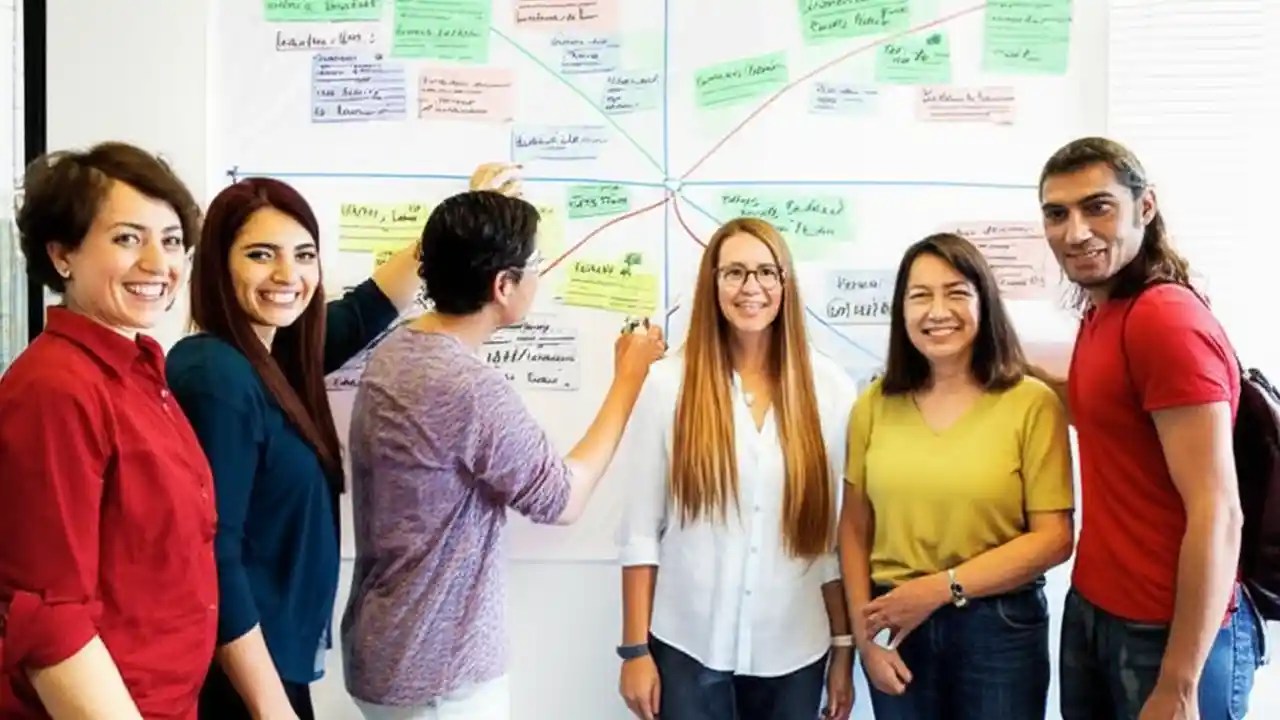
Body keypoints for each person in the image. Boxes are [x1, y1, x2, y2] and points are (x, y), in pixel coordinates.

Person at [165, 164, 522, 720]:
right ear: (217, 264)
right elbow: (215, 551)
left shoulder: (275, 356)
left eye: (304, 255)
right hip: (242, 680)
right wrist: (269, 706)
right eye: (261, 254)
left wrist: (463, 218)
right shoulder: (218, 376)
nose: (288, 274)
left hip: (274, 664)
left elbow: (365, 310)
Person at [339, 189, 666, 719]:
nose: (541, 277)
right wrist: (629, 378)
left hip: (389, 650)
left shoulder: (398, 348)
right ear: (503, 285)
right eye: (534, 265)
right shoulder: (466, 387)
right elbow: (565, 498)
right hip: (437, 678)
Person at [1031, 137, 1264, 719]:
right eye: (1057, 213)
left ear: (1146, 207)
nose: (1076, 231)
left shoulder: (1164, 320)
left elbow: (1219, 512)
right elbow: (1107, 413)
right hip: (1095, 610)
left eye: (1098, 207)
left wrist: (1180, 683)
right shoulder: (1105, 310)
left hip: (1165, 631)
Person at [0, 142, 216, 718]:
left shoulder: (141, 370)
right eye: (127, 238)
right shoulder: (56, 389)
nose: (157, 263)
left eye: (171, 241)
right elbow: (51, 615)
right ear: (63, 254)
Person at [615, 217, 857, 720]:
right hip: (687, 644)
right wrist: (635, 652)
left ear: (786, 284)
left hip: (794, 648)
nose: (752, 288)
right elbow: (641, 530)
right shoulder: (666, 386)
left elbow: (832, 540)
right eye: (735, 273)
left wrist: (842, 648)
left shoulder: (831, 389)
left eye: (767, 272)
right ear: (713, 284)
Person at [838, 233, 1075, 720]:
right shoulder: (874, 405)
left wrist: (941, 588)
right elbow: (854, 528)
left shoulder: (1031, 402)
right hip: (895, 624)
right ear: (901, 311)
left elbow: (1054, 538)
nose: (937, 310)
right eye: (919, 295)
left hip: (998, 628)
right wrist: (867, 641)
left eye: (956, 292)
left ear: (983, 302)